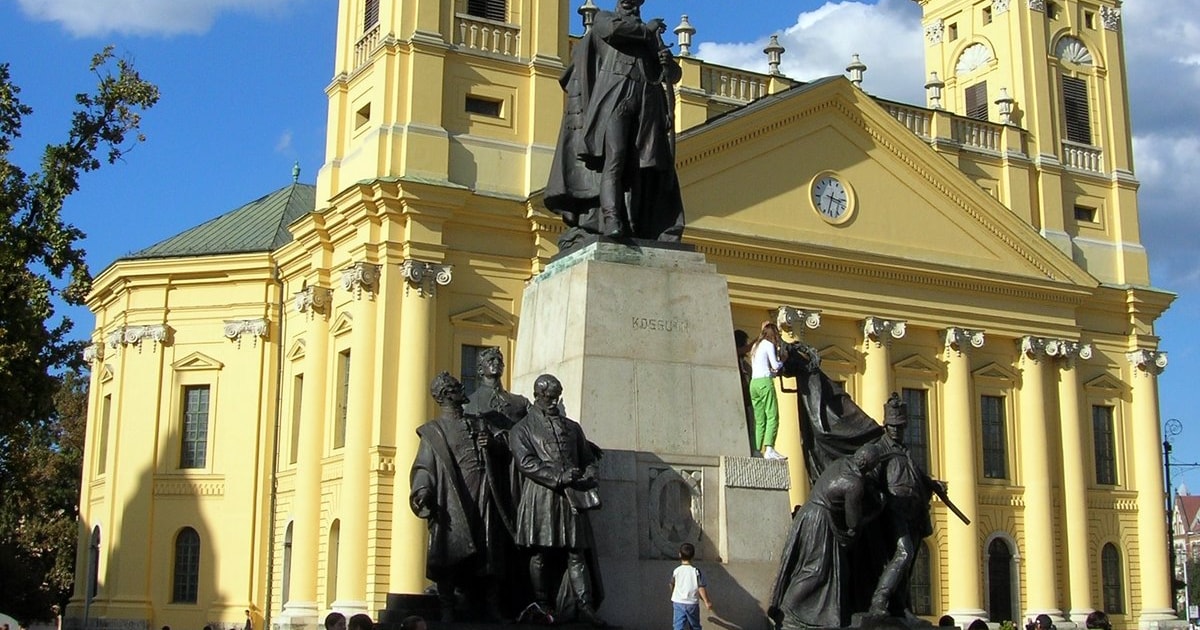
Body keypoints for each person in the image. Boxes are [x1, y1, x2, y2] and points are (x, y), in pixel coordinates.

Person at [543, 0, 685, 249]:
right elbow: (614, 31)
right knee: (615, 158)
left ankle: (639, 222)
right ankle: (611, 219)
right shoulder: (604, 19)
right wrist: (648, 31)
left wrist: (666, 63)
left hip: (647, 99)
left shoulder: (650, 33)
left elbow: (672, 74)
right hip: (614, 97)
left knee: (644, 165)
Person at [410, 372, 515, 622]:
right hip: (453, 499)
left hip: (484, 494)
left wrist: (490, 444)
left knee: (488, 551)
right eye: (458, 387)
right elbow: (423, 466)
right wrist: (423, 491)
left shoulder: (479, 423)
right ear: (447, 394)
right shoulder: (434, 431)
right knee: (450, 553)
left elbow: (505, 445)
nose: (462, 389)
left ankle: (492, 606)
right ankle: (447, 607)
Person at [509, 374, 607, 626]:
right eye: (549, 396)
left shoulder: (573, 428)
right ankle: (542, 605)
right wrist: (559, 476)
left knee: (576, 552)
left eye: (557, 396)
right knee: (539, 553)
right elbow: (526, 463)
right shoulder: (522, 429)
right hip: (540, 497)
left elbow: (587, 459)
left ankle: (585, 607)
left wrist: (589, 475)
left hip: (570, 499)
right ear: (537, 395)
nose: (553, 401)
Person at [768, 444, 886, 630]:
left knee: (816, 569)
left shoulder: (842, 462)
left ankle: (812, 617)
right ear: (869, 467)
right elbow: (853, 523)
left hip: (808, 514)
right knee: (814, 571)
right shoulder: (854, 483)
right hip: (820, 521)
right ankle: (786, 612)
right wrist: (875, 511)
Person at [869, 393, 940, 616]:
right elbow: (871, 477)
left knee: (909, 563)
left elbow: (915, 475)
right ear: (886, 425)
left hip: (914, 510)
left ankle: (901, 606)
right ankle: (879, 601)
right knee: (904, 553)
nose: (898, 431)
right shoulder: (880, 449)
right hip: (894, 509)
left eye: (901, 427)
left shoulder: (904, 450)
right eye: (894, 427)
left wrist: (932, 483)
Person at [464, 346, 530, 430]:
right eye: (491, 360)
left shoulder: (521, 402)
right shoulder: (467, 405)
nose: (496, 362)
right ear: (480, 370)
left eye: (499, 360)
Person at [749, 320, 786, 460]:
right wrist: (783, 360)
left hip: (754, 384)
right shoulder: (768, 345)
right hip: (765, 383)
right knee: (772, 416)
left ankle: (757, 449)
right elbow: (775, 365)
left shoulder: (755, 346)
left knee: (759, 419)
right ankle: (769, 448)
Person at [670, 542, 714, 630]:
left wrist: (673, 593)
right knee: (694, 625)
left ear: (679, 555)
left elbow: (671, 583)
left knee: (678, 626)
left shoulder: (676, 571)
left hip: (678, 602)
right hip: (692, 603)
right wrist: (706, 601)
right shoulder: (696, 571)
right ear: (693, 556)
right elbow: (701, 587)